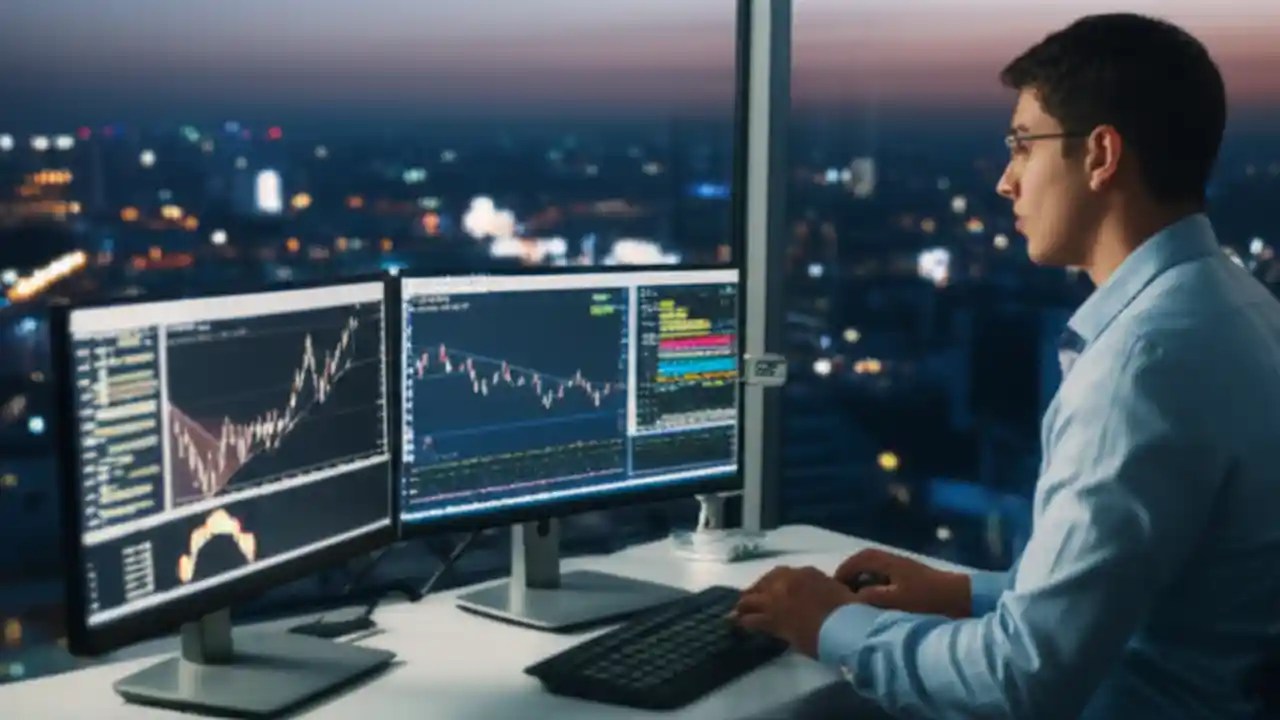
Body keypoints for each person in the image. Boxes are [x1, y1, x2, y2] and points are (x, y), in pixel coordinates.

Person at [732, 12, 1280, 720]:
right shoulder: (1239, 307)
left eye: (1023, 147)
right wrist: (961, 594)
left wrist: (827, 623)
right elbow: (1159, 592)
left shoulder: (1143, 365)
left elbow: (1020, 679)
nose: (1004, 181)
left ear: (1100, 155)